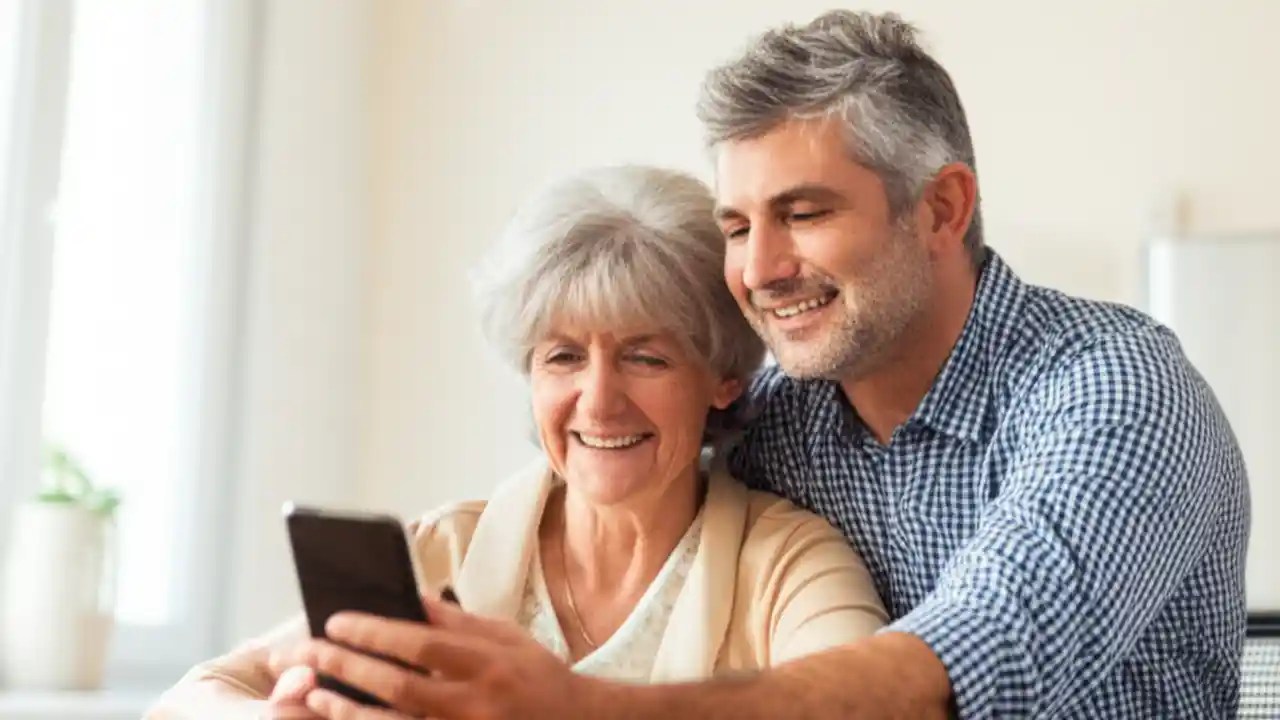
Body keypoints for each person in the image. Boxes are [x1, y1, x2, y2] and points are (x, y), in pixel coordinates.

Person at [261, 9, 1250, 720]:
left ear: (941, 209)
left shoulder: (1110, 395)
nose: (761, 270)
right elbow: (607, 475)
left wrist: (567, 706)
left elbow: (938, 681)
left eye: (803, 214)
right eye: (737, 226)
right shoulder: (772, 412)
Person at [145, 165, 888, 719]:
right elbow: (188, 700)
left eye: (645, 356)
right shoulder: (446, 550)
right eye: (562, 357)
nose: (597, 401)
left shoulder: (790, 565)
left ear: (724, 377)